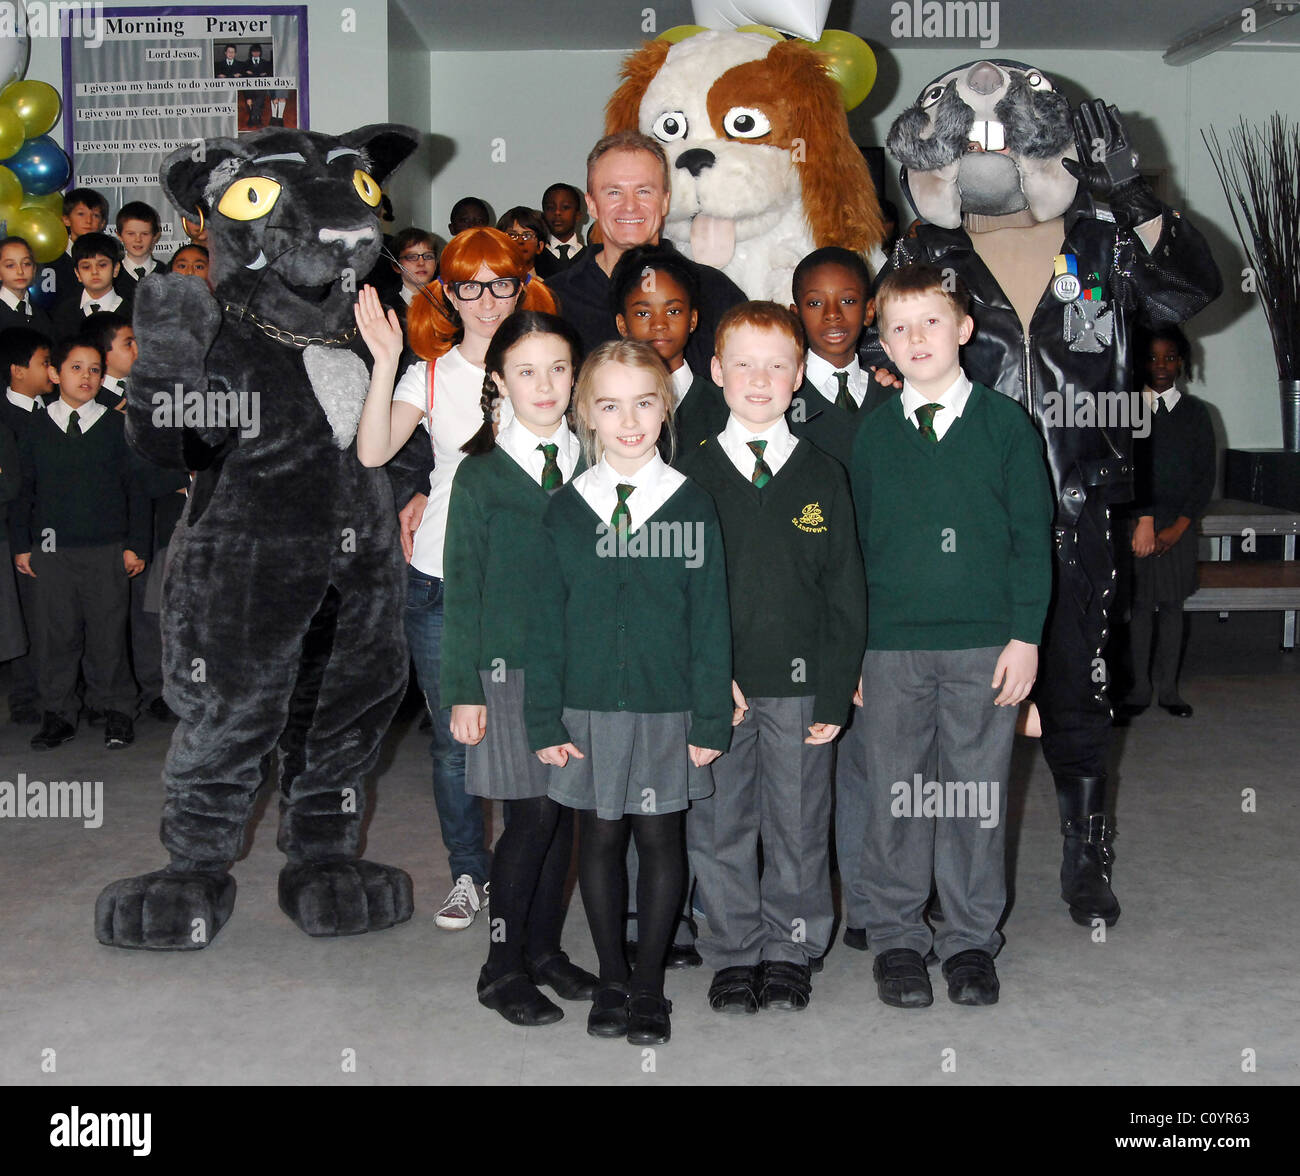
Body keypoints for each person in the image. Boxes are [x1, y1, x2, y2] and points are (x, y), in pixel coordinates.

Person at [850, 263, 1053, 1007]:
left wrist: (1025, 637)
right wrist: (855, 652)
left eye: (930, 321)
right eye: (897, 327)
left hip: (984, 647)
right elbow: (858, 552)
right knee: (898, 795)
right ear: (884, 343)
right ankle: (900, 936)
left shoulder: (1005, 427)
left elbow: (1033, 541)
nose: (915, 337)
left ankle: (970, 940)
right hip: (893, 648)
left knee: (974, 794)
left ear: (964, 329)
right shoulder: (873, 437)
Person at [525, 338, 731, 1046]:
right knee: (601, 839)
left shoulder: (690, 503)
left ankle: (649, 987)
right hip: (586, 710)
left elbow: (709, 621)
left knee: (660, 838)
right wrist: (542, 715)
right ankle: (610, 977)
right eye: (610, 406)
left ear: (665, 406)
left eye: (644, 403)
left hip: (668, 707)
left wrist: (710, 716)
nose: (630, 421)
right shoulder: (565, 509)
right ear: (586, 414)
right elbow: (544, 623)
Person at [355, 226, 556, 932]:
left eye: (501, 282)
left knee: (543, 730)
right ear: (447, 292)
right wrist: (386, 362)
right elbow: (374, 450)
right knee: (455, 741)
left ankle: (534, 871)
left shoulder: (550, 363)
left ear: (521, 284)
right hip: (441, 576)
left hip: (536, 583)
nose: (486, 300)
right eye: (468, 285)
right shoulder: (431, 372)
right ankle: (471, 873)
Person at [681, 302, 865, 1015]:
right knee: (720, 825)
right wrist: (703, 677)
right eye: (745, 363)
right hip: (718, 689)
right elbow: (677, 592)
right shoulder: (689, 474)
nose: (761, 378)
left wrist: (831, 690)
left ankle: (790, 948)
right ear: (717, 371)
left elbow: (846, 593)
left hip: (800, 690)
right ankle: (731, 950)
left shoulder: (823, 475)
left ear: (799, 379)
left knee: (796, 824)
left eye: (778, 365)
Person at [432, 309, 599, 1026]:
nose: (545, 385)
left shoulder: (598, 462)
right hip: (508, 675)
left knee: (564, 820)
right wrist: (462, 688)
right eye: (526, 371)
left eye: (558, 369)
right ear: (498, 381)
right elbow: (461, 586)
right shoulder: (481, 476)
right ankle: (500, 967)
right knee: (528, 822)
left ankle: (542, 950)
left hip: (580, 675)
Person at [11, 336, 149, 752]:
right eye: (75, 368)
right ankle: (58, 713)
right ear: (54, 374)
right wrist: (22, 544)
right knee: (57, 636)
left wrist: (135, 545)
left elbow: (136, 492)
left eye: (94, 369)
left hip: (106, 549)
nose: (86, 377)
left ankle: (117, 711)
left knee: (109, 635)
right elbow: (23, 491)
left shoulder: (114, 426)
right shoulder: (36, 427)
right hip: (52, 553)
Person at [547, 130, 745, 374]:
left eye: (643, 191)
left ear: (664, 202)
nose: (630, 206)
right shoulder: (552, 300)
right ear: (592, 205)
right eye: (614, 192)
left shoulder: (715, 293)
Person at [1119, 326, 1215, 722]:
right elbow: (1125, 471)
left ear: (1182, 362)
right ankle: (1139, 687)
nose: (1161, 365)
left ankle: (1170, 689)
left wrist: (1178, 527)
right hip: (1135, 524)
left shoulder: (1196, 414)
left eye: (1170, 357)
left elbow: (1204, 476)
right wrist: (1142, 520)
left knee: (1172, 606)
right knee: (1140, 605)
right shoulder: (1126, 409)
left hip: (1179, 524)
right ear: (1140, 362)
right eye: (1153, 357)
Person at [611, 244, 727, 457]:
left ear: (692, 320)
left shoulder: (724, 409)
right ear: (622, 324)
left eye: (673, 311)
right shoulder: (607, 409)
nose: (659, 324)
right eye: (643, 313)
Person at [787, 246, 887, 470]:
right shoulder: (781, 398)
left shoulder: (891, 396)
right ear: (796, 315)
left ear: (869, 311)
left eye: (848, 301)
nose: (832, 314)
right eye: (815, 303)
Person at [1, 325, 53, 725]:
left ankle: (56, 691)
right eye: (45, 363)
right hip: (17, 534)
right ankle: (24, 696)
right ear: (18, 371)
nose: (52, 373)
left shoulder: (50, 413)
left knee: (49, 615)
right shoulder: (7, 419)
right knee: (20, 616)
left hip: (53, 531)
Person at [51, 233, 130, 342]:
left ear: (116, 269)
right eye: (86, 267)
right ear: (77, 273)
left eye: (102, 265)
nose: (94, 272)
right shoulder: (65, 313)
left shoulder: (132, 313)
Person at [0, 237, 55, 337]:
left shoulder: (41, 315)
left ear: (34, 269)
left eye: (26, 264)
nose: (20, 271)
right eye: (10, 265)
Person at [113, 202, 164, 297]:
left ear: (155, 236)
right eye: (131, 234)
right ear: (119, 235)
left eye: (144, 234)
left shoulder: (166, 273)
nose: (138, 240)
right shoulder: (112, 276)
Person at [537, 182, 586, 279]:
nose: (557, 212)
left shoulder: (591, 258)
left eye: (565, 207)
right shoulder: (535, 258)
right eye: (550, 208)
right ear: (543, 216)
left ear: (578, 215)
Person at [496, 207, 548, 278]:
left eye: (527, 235)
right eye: (512, 235)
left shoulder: (549, 286)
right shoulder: (490, 282)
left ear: (540, 246)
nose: (520, 241)